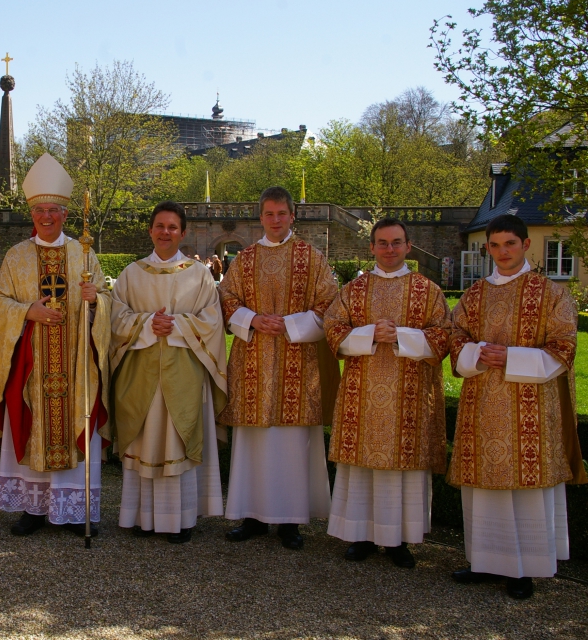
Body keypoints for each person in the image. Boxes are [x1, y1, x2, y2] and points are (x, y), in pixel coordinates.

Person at [448, 214, 586, 599]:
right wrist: (477, 353)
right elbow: (455, 337)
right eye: (495, 245)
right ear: (487, 249)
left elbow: (564, 347)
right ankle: (485, 561)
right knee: (484, 485)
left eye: (510, 243)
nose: (503, 252)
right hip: (481, 403)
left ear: (525, 244)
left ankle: (524, 568)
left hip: (531, 407)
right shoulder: (475, 294)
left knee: (526, 484)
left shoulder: (551, 293)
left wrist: (511, 357)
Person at [0, 153, 112, 537]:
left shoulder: (83, 253)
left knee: (74, 423)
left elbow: (108, 301)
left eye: (53, 210)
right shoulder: (17, 256)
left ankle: (73, 510)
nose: (46, 216)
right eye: (39, 210)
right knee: (33, 425)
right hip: (33, 365)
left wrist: (95, 299)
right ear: (32, 214)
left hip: (75, 364)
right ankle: (34, 508)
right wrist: (28, 311)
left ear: (65, 215)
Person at [323, 218, 450, 567]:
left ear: (408, 246)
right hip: (361, 395)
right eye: (382, 242)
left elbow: (444, 337)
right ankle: (360, 535)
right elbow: (332, 330)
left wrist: (401, 336)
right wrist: (368, 335)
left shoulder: (428, 290)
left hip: (410, 395)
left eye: (396, 242)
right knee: (362, 466)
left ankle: (399, 541)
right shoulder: (354, 290)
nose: (389, 249)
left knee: (403, 467)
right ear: (372, 247)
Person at [218, 186, 339, 549]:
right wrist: (253, 320)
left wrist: (290, 324)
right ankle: (252, 516)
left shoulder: (311, 257)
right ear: (261, 217)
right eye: (269, 214)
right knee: (253, 442)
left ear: (292, 216)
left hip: (297, 362)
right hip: (253, 360)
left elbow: (330, 304)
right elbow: (226, 299)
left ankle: (290, 521)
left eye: (281, 214)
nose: (275, 220)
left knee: (292, 444)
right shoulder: (245, 258)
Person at [109, 201, 227, 543]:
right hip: (140, 372)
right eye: (159, 226)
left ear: (183, 233)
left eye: (172, 227)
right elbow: (115, 319)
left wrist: (173, 325)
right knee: (144, 439)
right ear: (150, 230)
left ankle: (180, 519)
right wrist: (148, 323)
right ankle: (143, 517)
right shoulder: (132, 274)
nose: (165, 232)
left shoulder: (198, 274)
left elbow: (212, 321)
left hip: (184, 372)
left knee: (177, 438)